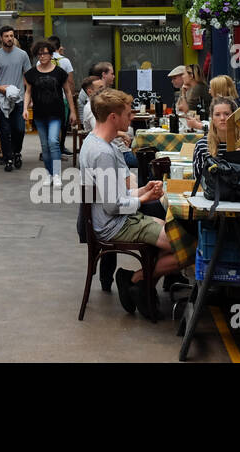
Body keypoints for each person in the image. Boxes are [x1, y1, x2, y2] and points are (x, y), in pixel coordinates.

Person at [79, 88, 177, 318]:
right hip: (114, 224)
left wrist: (143, 190)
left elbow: (115, 193)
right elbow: (113, 206)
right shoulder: (103, 152)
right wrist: (143, 198)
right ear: (113, 117)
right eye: (127, 113)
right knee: (183, 246)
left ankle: (139, 285)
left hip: (115, 220)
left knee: (171, 230)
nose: (131, 117)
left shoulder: (96, 143)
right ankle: (137, 281)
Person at [25, 40, 77, 182]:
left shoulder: (60, 72)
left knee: (53, 141)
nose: (42, 56)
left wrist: (72, 111)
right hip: (39, 113)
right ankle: (49, 173)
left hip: (56, 113)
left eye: (45, 53)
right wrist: (25, 109)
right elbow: (28, 92)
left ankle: (57, 174)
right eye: (39, 54)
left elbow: (67, 91)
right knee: (45, 145)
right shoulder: (31, 73)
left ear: (51, 54)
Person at [0, 25, 31, 171]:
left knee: (19, 129)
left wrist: (29, 95)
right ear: (1, 38)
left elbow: (28, 76)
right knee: (4, 131)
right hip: (2, 99)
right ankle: (8, 158)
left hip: (19, 98)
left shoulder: (22, 55)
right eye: (6, 36)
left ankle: (16, 152)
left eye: (11, 36)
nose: (9, 38)